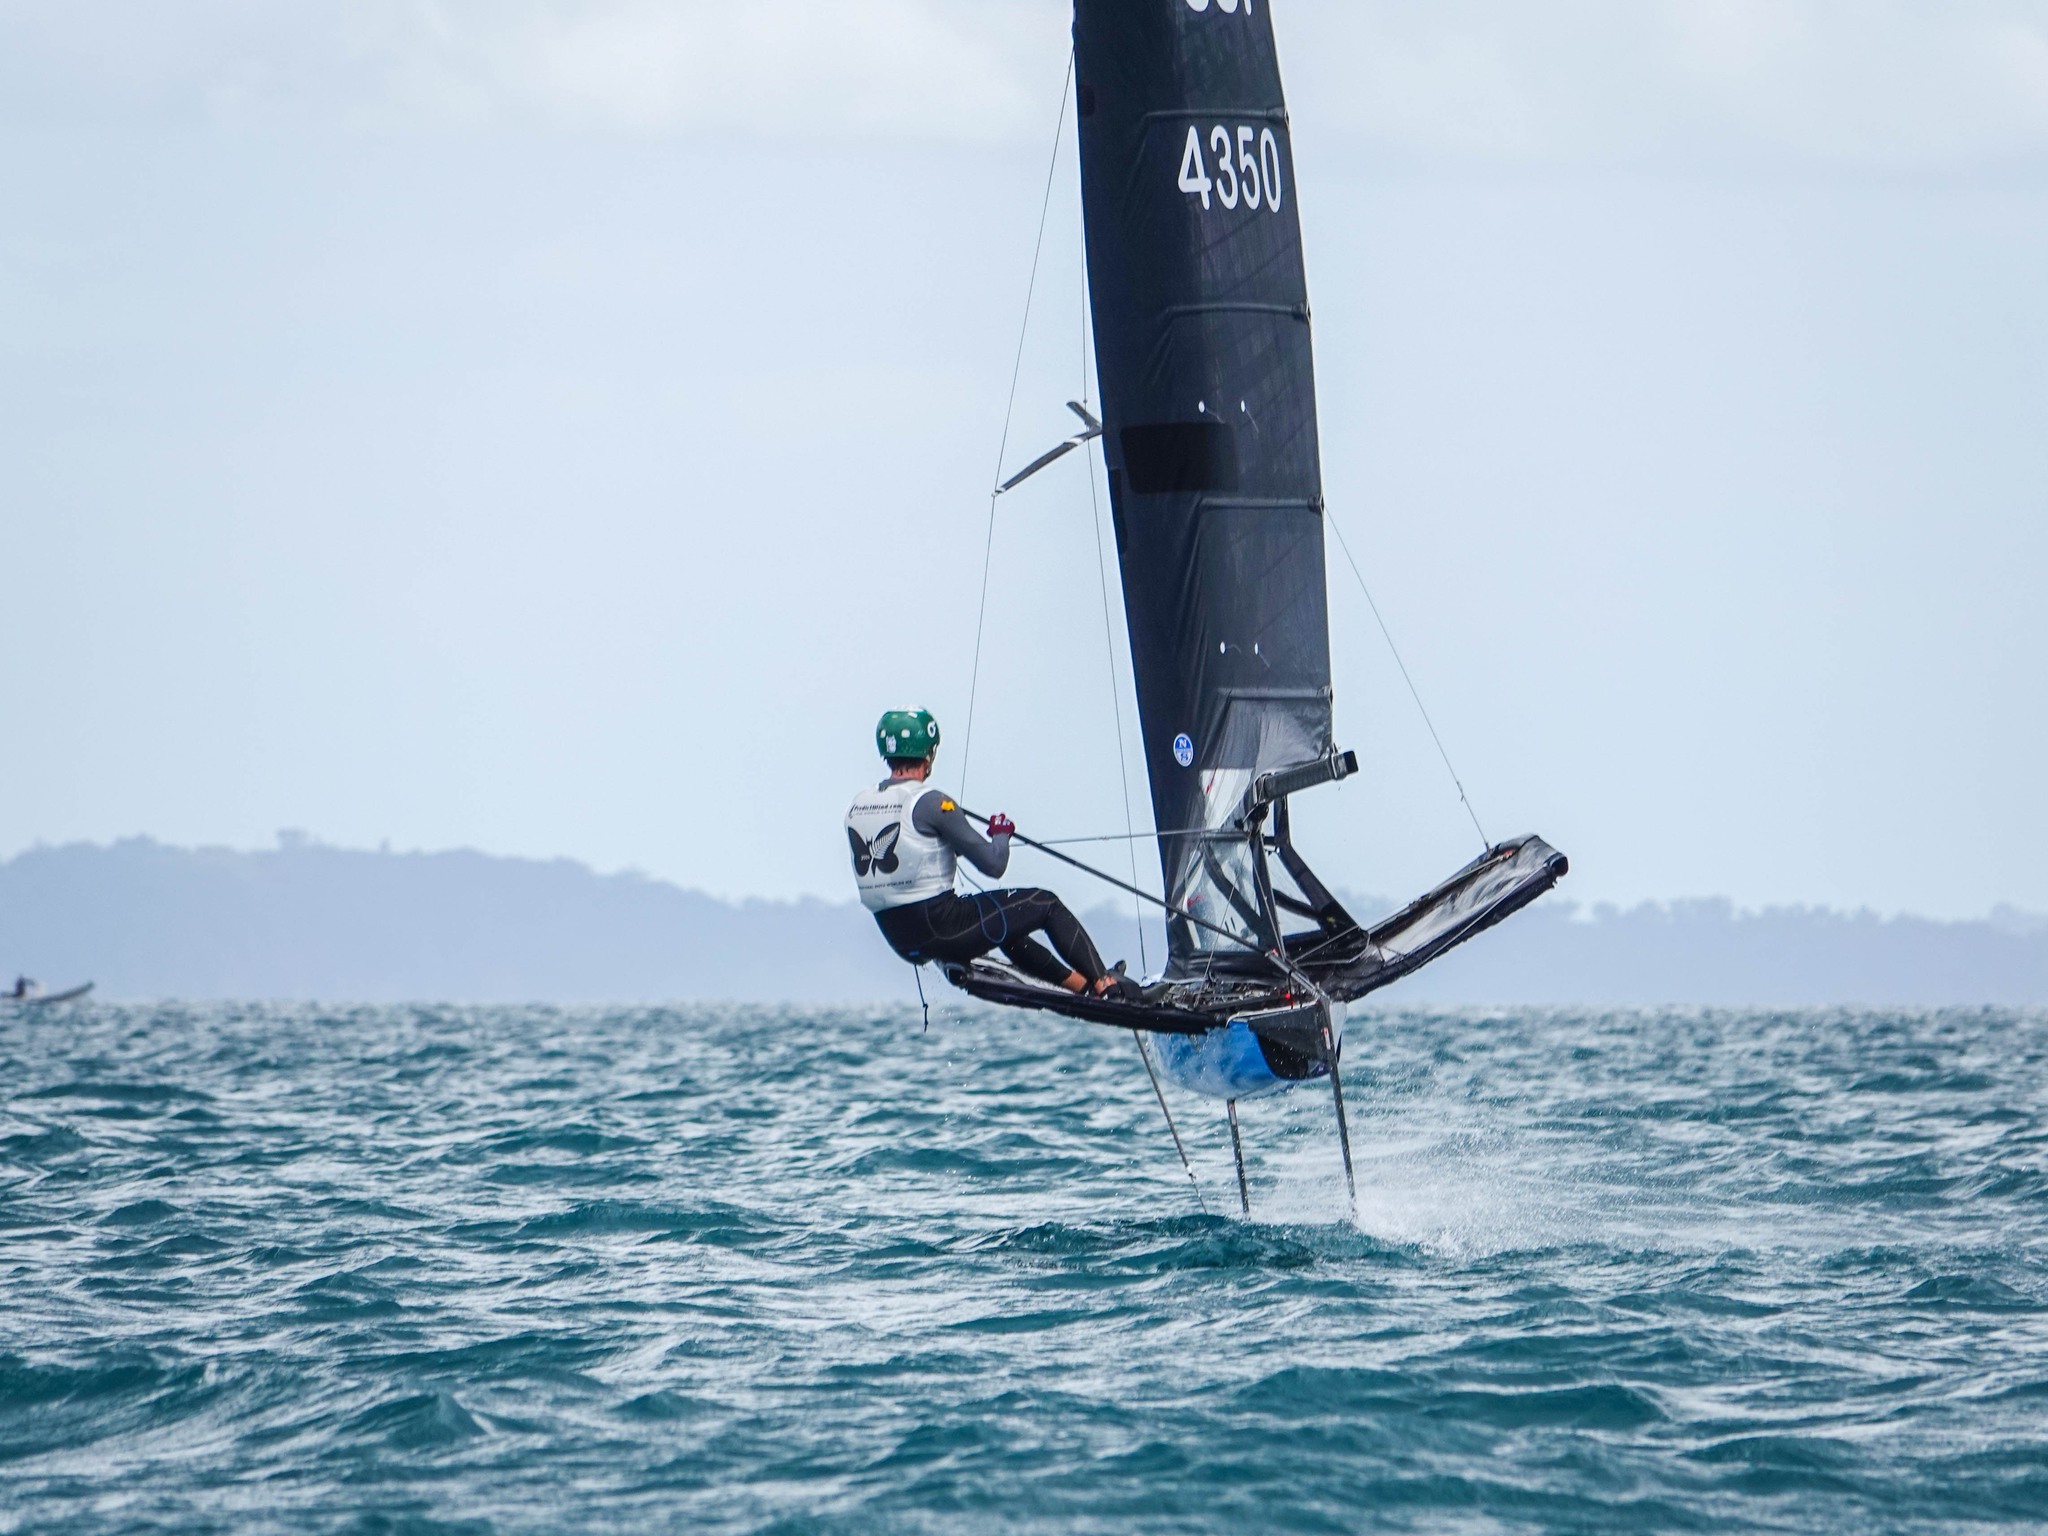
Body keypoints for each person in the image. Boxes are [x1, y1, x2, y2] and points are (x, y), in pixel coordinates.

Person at [847, 709, 1137, 999]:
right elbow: (994, 864)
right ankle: (1104, 984)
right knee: (1045, 904)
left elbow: (911, 858)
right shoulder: (932, 802)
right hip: (942, 925)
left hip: (900, 939)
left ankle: (1082, 987)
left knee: (1007, 925)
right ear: (929, 754)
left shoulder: (860, 804)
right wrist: (1000, 833)